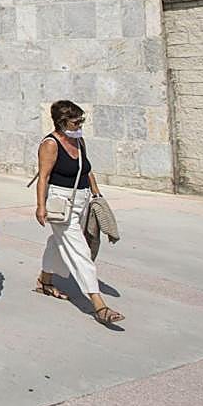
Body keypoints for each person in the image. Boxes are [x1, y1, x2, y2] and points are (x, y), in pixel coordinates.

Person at [34, 100, 124, 327]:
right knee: (80, 251)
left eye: (81, 120)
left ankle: (45, 280)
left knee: (59, 242)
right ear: (62, 122)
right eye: (76, 121)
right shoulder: (50, 144)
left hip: (82, 200)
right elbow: (43, 176)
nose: (80, 124)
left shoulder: (78, 140)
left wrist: (97, 195)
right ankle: (99, 305)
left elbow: (87, 168)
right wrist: (40, 206)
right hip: (60, 202)